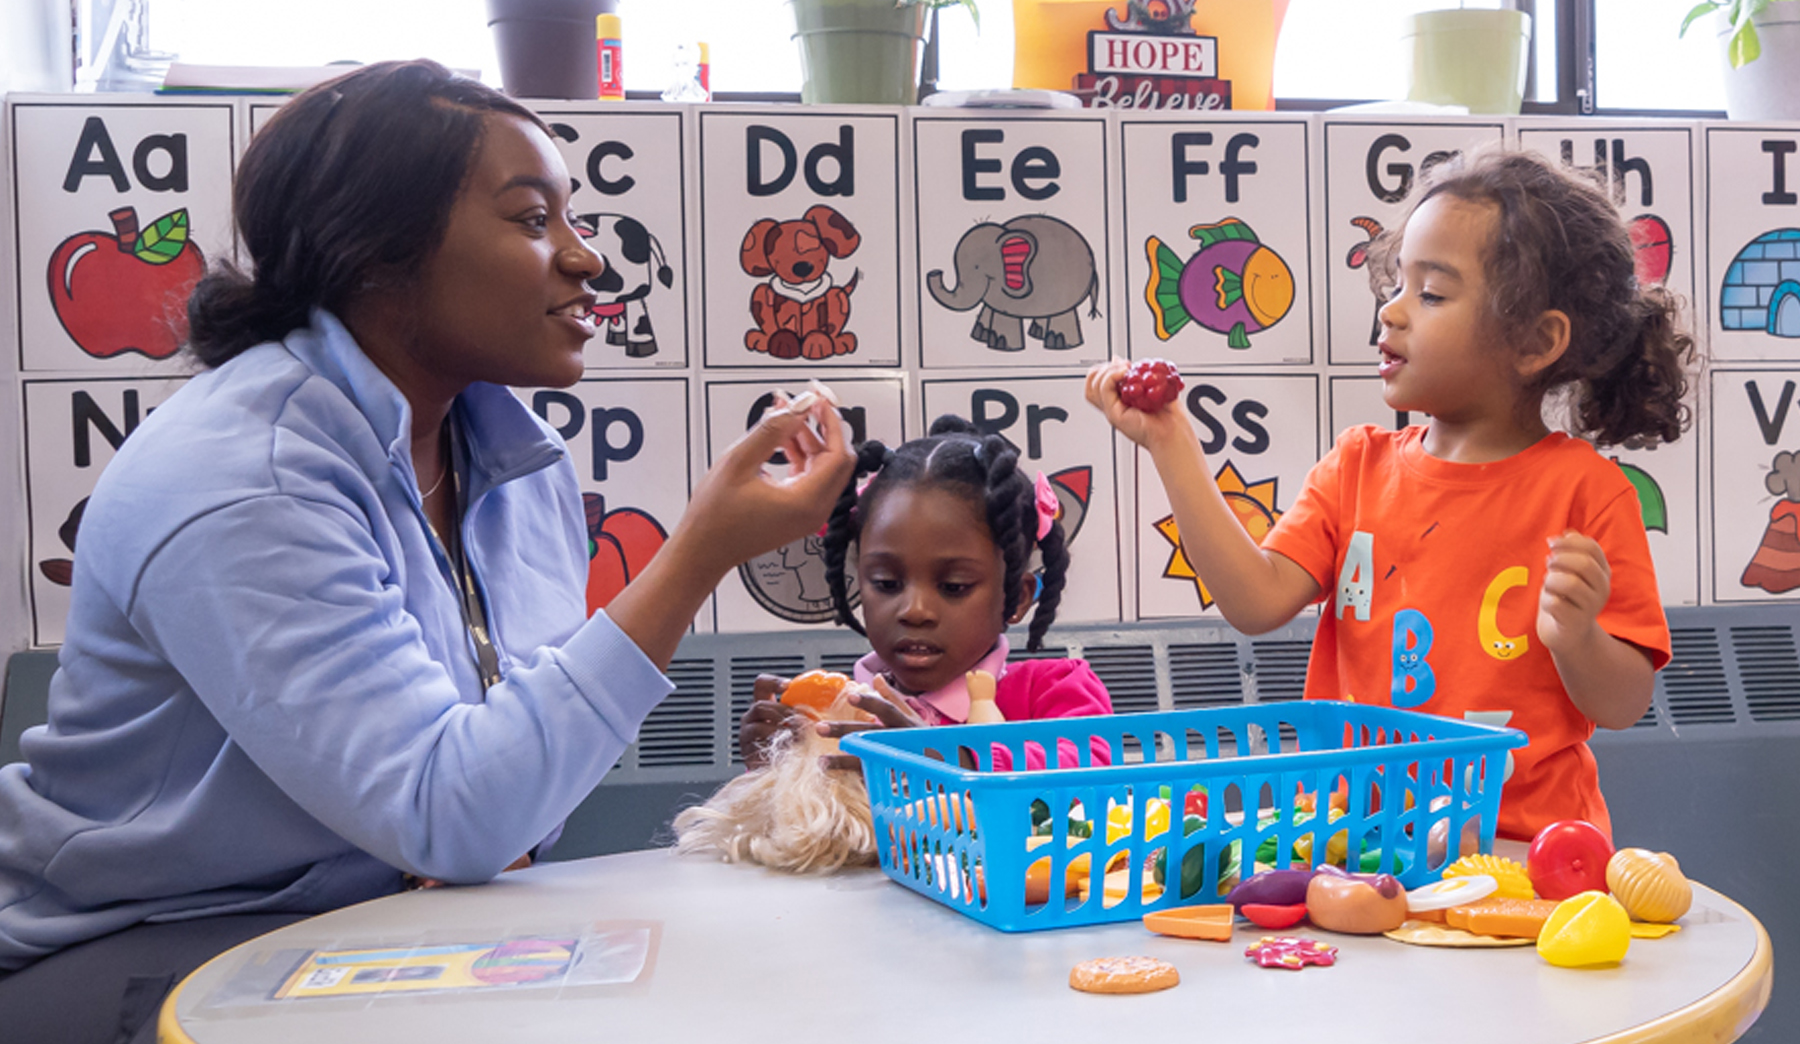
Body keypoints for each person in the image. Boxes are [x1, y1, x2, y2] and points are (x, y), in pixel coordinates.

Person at [0, 60, 853, 1040]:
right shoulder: (243, 472)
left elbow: (515, 813)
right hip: (139, 941)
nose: (588, 260)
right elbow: (451, 814)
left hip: (373, 929)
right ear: (376, 252)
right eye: (534, 221)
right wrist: (698, 553)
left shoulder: (512, 460)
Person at [1088, 147, 1693, 845]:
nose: (1392, 311)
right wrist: (1171, 443)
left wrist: (1577, 637)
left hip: (1524, 858)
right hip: (1358, 839)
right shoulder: (1356, 468)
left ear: (1534, 341)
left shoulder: (1588, 493)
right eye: (1398, 284)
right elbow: (1253, 601)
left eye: (1431, 294)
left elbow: (1621, 703)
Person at [738, 415, 1113, 775]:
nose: (915, 611)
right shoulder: (841, 717)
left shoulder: (1053, 691)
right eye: (886, 582)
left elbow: (1086, 773)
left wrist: (948, 760)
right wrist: (774, 766)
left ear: (1015, 598)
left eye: (953, 587)